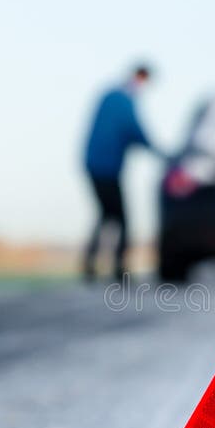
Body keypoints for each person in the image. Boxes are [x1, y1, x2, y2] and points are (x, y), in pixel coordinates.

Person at [82, 64, 157, 281]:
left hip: (94, 163)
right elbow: (134, 130)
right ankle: (119, 268)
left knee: (106, 214)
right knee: (121, 218)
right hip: (107, 166)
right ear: (141, 77)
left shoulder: (110, 95)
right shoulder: (124, 99)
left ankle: (90, 264)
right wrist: (159, 151)